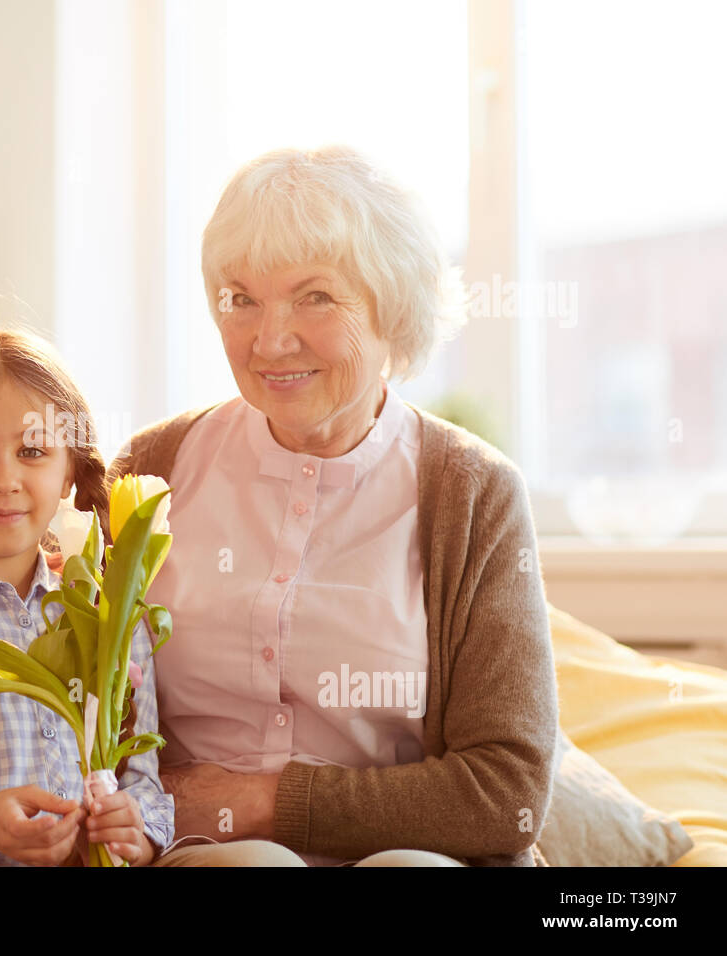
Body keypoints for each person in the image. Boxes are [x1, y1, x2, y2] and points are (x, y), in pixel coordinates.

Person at [109, 145, 558, 866]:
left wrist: (263, 801)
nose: (270, 339)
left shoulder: (474, 492)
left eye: (314, 296)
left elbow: (507, 792)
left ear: (394, 307)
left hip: (407, 851)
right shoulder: (149, 468)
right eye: (241, 299)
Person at [0, 329, 303, 866]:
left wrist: (135, 830)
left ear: (69, 472)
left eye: (32, 451)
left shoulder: (112, 615)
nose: (4, 479)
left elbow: (145, 786)